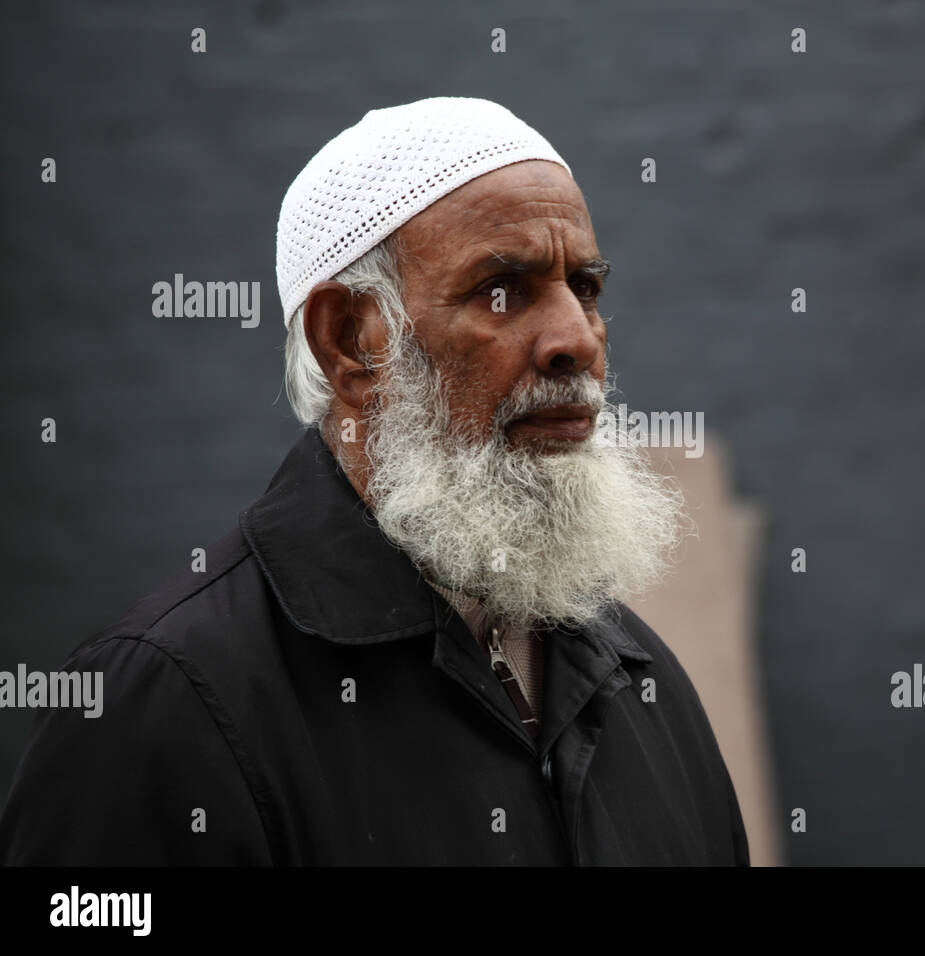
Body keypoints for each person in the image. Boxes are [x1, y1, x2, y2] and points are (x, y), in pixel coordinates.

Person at [0, 97, 749, 866]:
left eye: (584, 288)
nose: (576, 340)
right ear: (350, 342)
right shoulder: (165, 701)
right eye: (503, 291)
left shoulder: (637, 680)